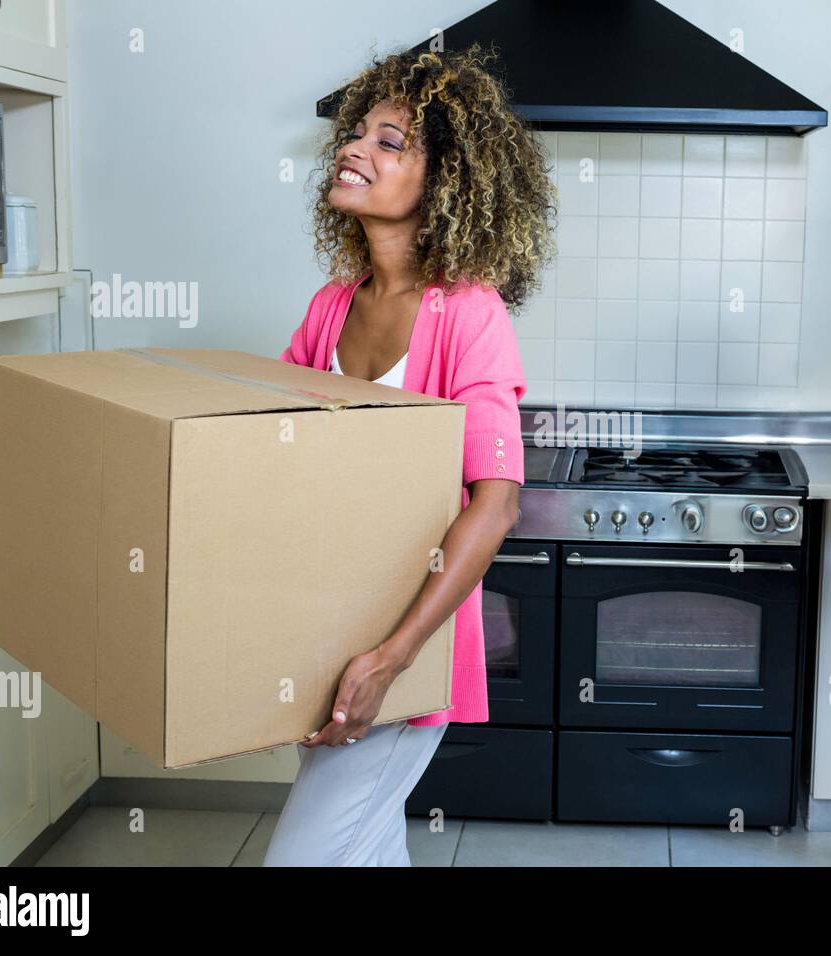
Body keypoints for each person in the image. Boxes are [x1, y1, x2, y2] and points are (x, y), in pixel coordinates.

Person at [263, 43, 556, 866]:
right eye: (357, 133)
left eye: (390, 143)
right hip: (324, 636)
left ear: (446, 184)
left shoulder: (468, 313)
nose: (354, 147)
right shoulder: (332, 307)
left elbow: (495, 503)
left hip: (404, 656)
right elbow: (266, 446)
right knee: (364, 845)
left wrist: (391, 660)